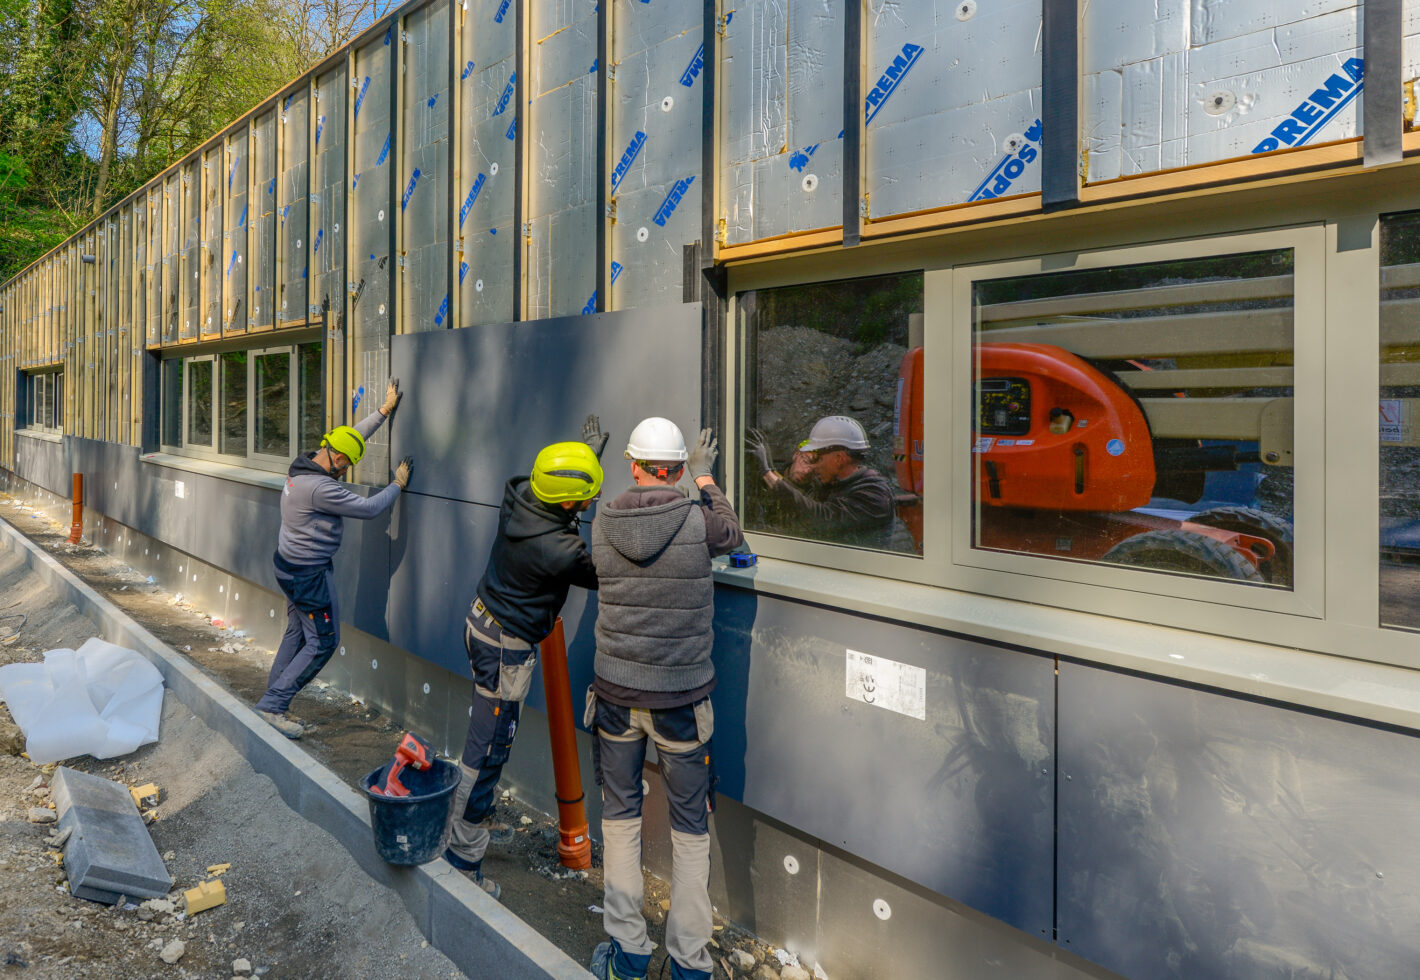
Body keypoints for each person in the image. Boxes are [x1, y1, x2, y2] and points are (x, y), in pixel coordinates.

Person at [588, 417, 743, 980]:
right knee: (689, 829)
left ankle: (627, 954)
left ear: (632, 466)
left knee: (621, 817)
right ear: (678, 468)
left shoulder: (602, 523)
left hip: (614, 697)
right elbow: (734, 533)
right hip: (680, 702)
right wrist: (704, 480)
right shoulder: (698, 522)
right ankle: (689, 964)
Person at [443, 418, 608, 900]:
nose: (592, 502)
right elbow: (603, 571)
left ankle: (466, 826)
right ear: (569, 502)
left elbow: (558, 504)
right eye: (588, 496)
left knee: (483, 743)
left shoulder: (518, 494)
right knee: (488, 752)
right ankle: (462, 859)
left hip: (482, 623)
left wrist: (584, 459)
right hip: (504, 648)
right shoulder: (558, 550)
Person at [255, 380, 413, 739]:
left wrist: (384, 411)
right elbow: (371, 508)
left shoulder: (307, 463)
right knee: (323, 641)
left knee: (297, 633)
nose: (345, 472)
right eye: (346, 467)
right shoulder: (321, 488)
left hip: (288, 566)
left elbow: (350, 437)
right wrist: (397, 486)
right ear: (337, 460)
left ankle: (272, 699)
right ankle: (273, 706)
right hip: (309, 575)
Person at [745, 415, 897, 550]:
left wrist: (767, 472)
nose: (815, 466)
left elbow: (821, 519)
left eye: (819, 459)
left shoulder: (874, 494)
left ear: (838, 458)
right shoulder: (837, 485)